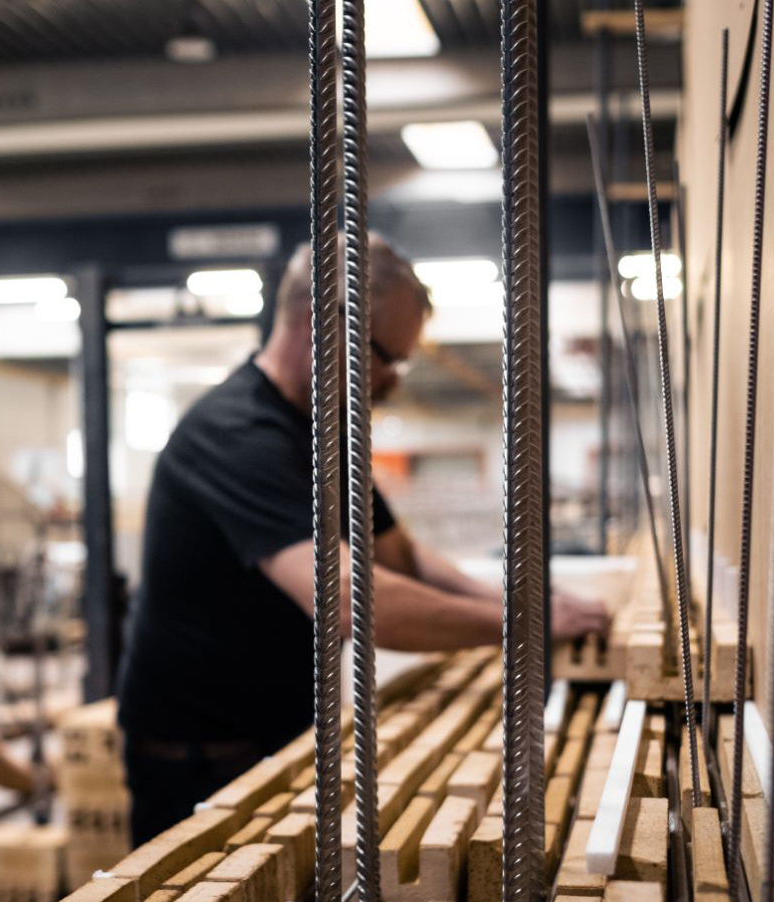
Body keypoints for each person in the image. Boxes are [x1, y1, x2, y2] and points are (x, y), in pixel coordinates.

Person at [116, 236, 606, 844]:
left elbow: (402, 557)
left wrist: (526, 605)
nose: (393, 383)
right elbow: (348, 597)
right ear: (323, 324)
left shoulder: (323, 434)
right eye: (384, 358)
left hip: (277, 727)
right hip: (200, 757)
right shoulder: (236, 434)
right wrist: (523, 623)